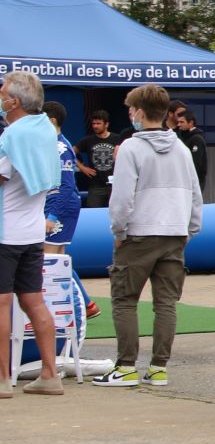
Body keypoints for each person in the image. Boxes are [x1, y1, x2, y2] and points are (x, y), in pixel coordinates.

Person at [91, 84, 202, 388]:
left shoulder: (131, 147)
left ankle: (126, 366)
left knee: (125, 299)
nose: (130, 114)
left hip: (139, 233)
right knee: (165, 303)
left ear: (139, 112)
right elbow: (195, 192)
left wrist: (119, 229)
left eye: (131, 109)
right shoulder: (180, 146)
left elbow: (123, 196)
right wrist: (190, 228)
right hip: (175, 233)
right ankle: (158, 367)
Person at [0, 72, 66, 397]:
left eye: (2, 93)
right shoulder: (44, 133)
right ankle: (50, 373)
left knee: (1, 304)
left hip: (5, 231)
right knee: (34, 301)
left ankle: (1, 380)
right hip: (31, 230)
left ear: (13, 101)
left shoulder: (12, 137)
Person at [40, 101, 96, 320]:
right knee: (57, 259)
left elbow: (65, 186)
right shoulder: (55, 145)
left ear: (52, 121)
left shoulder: (59, 148)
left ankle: (70, 307)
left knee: (48, 260)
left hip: (59, 208)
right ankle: (84, 304)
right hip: (58, 206)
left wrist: (52, 216)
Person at [75, 110, 124, 208]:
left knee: (117, 211)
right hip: (96, 185)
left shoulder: (118, 138)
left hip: (116, 184)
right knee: (92, 213)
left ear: (106, 124)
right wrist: (82, 168)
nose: (95, 126)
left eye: (98, 123)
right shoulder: (87, 140)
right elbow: (69, 153)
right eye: (93, 123)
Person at [169, 101, 209, 192]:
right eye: (178, 122)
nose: (178, 125)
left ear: (190, 123)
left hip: (193, 184)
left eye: (181, 122)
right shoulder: (183, 137)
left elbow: (196, 164)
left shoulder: (197, 139)